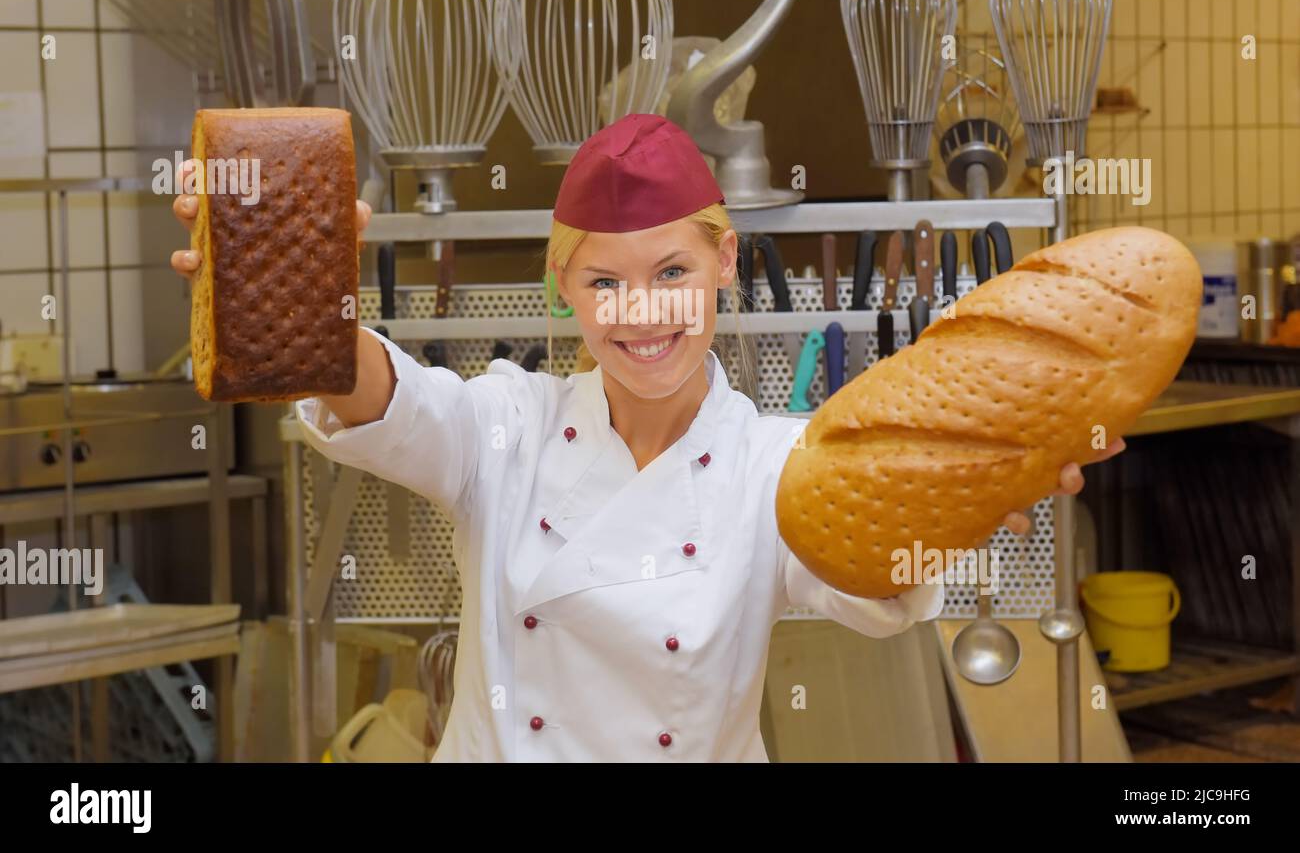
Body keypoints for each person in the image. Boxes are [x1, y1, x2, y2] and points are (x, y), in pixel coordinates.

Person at [171, 113, 1120, 761]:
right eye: (604, 283)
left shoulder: (777, 462)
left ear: (725, 261)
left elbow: (873, 587)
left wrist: (983, 483)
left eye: (671, 269)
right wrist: (299, 302)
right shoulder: (508, 425)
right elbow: (388, 401)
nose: (641, 314)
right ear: (563, 287)